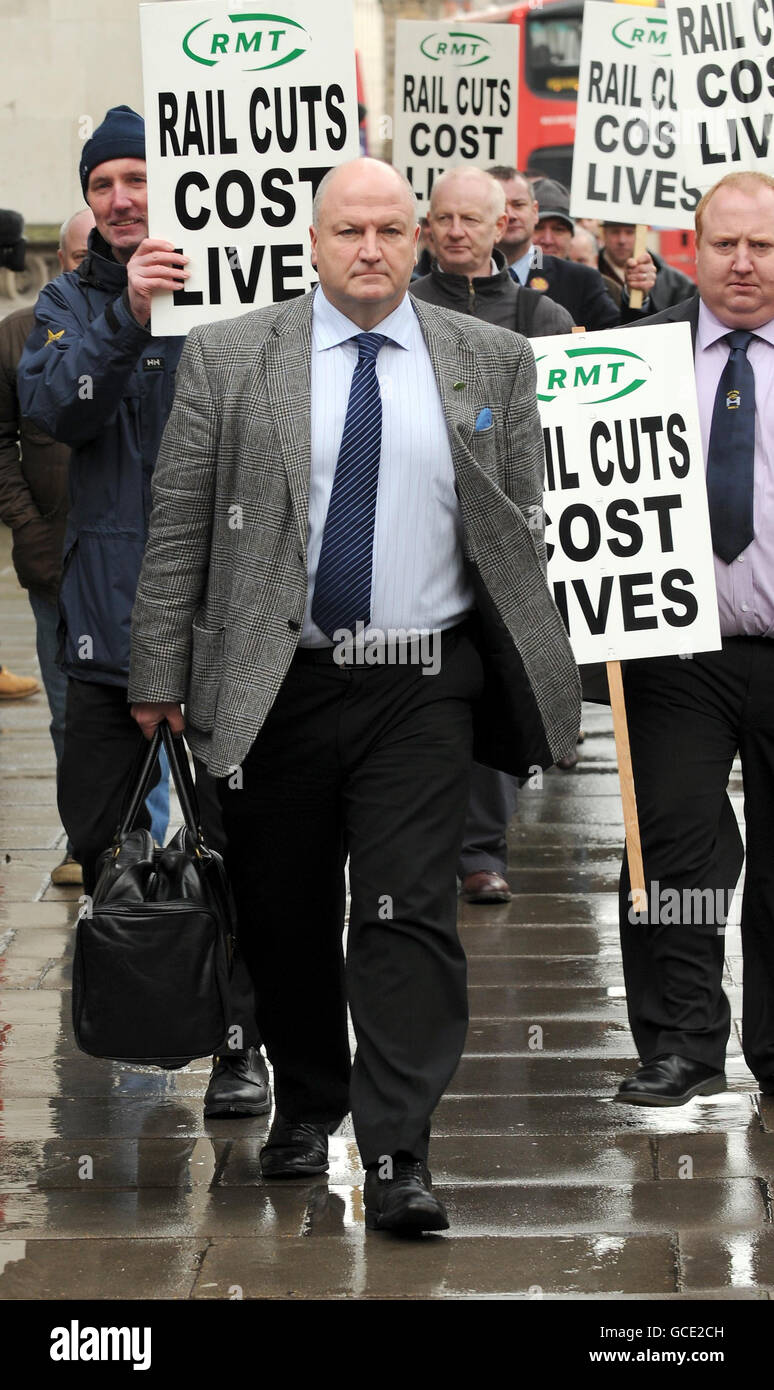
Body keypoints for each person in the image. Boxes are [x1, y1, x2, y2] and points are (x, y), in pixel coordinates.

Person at [127, 157, 581, 1232]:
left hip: (421, 686)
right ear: (313, 244)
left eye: (390, 229)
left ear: (420, 240)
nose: (369, 249)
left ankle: (397, 1150)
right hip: (279, 682)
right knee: (283, 914)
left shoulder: (492, 359)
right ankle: (309, 1099)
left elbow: (522, 526)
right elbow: (181, 521)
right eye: (348, 232)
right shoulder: (233, 359)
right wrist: (156, 673)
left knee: (407, 912)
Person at [17, 105, 269, 1118]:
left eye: (138, 178)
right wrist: (125, 311)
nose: (121, 198)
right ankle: (130, 1020)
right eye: (103, 184)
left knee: (236, 851)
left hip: (228, 639)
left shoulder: (242, 300)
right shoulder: (67, 306)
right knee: (105, 844)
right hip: (104, 639)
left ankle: (242, 1045)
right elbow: (56, 408)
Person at [614, 171, 773, 1106]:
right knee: (670, 848)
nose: (743, 263)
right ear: (692, 248)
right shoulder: (631, 361)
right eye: (726, 244)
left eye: (762, 245)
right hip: (677, 651)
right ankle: (681, 1044)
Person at [411, 166, 572, 904]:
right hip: (422, 533)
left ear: (500, 223)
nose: (453, 232)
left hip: (509, 541)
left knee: (501, 687)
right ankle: (424, 842)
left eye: (467, 220)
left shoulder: (539, 317)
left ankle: (481, 851)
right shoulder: (404, 309)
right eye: (441, 219)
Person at [0, 208, 94, 882]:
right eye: (80, 254)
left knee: (147, 709)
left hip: (139, 563)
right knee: (70, 717)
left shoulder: (163, 327)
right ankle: (87, 837)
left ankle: (132, 837)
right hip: (53, 562)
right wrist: (29, 526)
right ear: (59, 260)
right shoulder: (17, 335)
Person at [487, 167, 620, 330]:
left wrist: (638, 300)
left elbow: (619, 342)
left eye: (518, 205)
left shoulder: (581, 281)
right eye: (501, 205)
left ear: (534, 211)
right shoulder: (459, 276)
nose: (511, 215)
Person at [599, 221, 696, 317]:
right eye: (615, 232)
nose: (622, 240)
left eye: (630, 232)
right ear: (604, 234)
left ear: (642, 234)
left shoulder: (677, 283)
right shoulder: (590, 274)